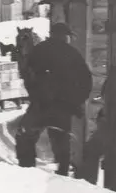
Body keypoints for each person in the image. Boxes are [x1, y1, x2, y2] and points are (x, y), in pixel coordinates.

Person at [15, 21, 92, 176]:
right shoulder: (72, 54)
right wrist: (76, 102)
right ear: (65, 37)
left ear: (51, 35)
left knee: (25, 135)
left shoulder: (39, 50)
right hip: (63, 107)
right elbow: (86, 80)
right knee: (61, 140)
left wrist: (35, 95)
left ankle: (26, 171)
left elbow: (26, 74)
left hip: (40, 105)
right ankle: (62, 173)